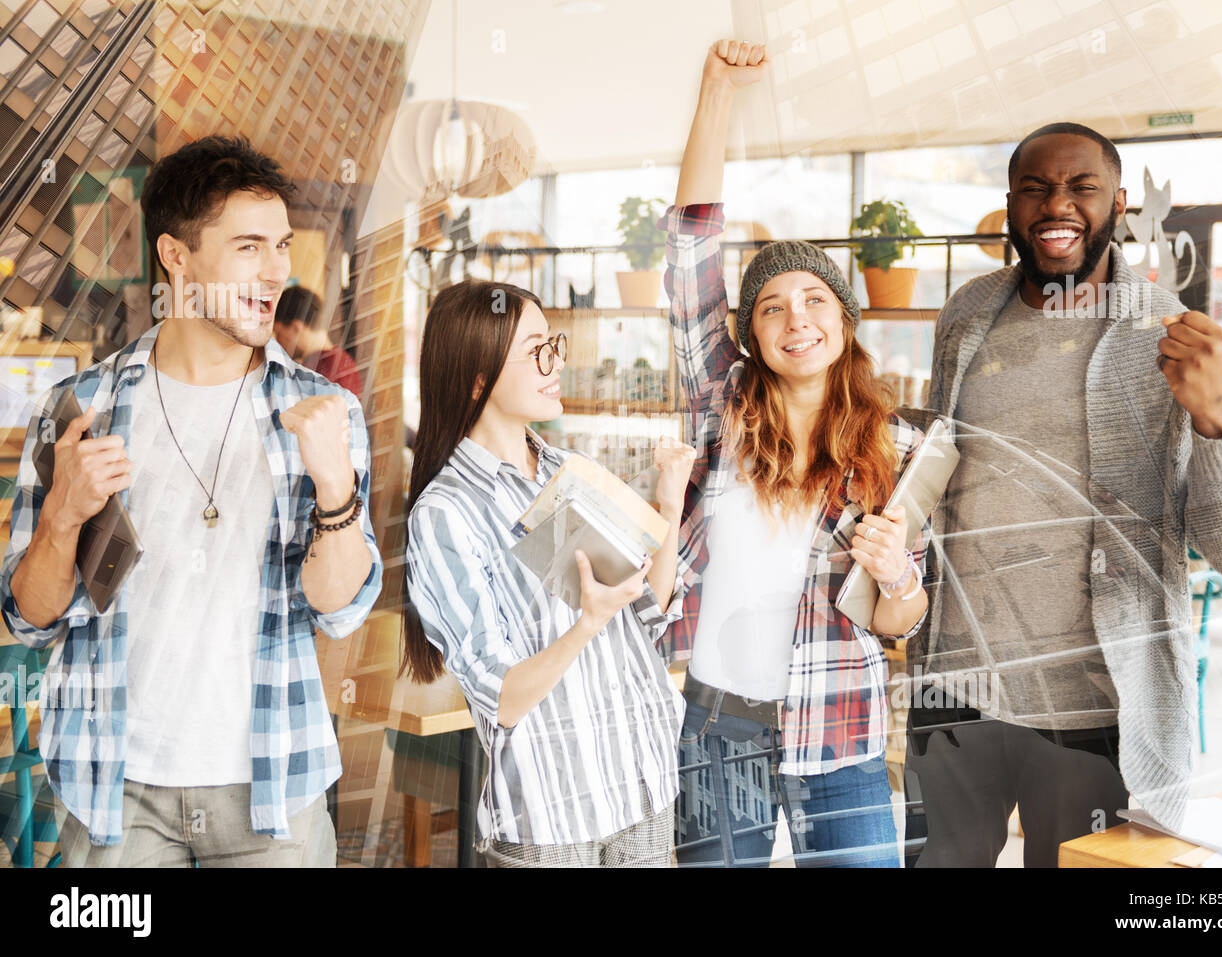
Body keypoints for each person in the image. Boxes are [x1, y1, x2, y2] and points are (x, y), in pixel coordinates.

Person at [905, 122, 1222, 867]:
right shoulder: (967, 315)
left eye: (1083, 187)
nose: (1059, 205)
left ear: (1118, 203)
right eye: (1037, 187)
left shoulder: (1167, 330)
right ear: (1010, 203)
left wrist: (1217, 416)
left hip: (1094, 707)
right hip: (955, 688)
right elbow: (940, 476)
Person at [0, 135, 382, 866]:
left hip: (273, 784)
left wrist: (335, 486)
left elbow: (340, 609)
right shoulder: (78, 410)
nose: (277, 271)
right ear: (176, 257)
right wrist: (62, 516)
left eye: (281, 246)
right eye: (248, 247)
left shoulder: (322, 410)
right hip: (116, 790)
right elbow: (29, 618)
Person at [662, 40, 931, 868]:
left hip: (842, 725)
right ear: (750, 336)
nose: (796, 319)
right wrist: (716, 94)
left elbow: (900, 622)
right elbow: (690, 250)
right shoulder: (720, 410)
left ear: (847, 322)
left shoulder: (899, 445)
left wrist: (897, 575)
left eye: (816, 300)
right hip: (716, 725)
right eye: (771, 308)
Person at [401, 279, 695, 867]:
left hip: (643, 786)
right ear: (478, 376)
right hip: (552, 817)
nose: (556, 361)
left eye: (552, 344)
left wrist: (669, 505)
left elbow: (645, 615)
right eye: (537, 351)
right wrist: (585, 624)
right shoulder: (447, 514)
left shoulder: (570, 470)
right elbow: (502, 698)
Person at [273, 285, 363, 398]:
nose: (277, 342)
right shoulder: (344, 362)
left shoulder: (317, 372)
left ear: (296, 328)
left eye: (278, 334)